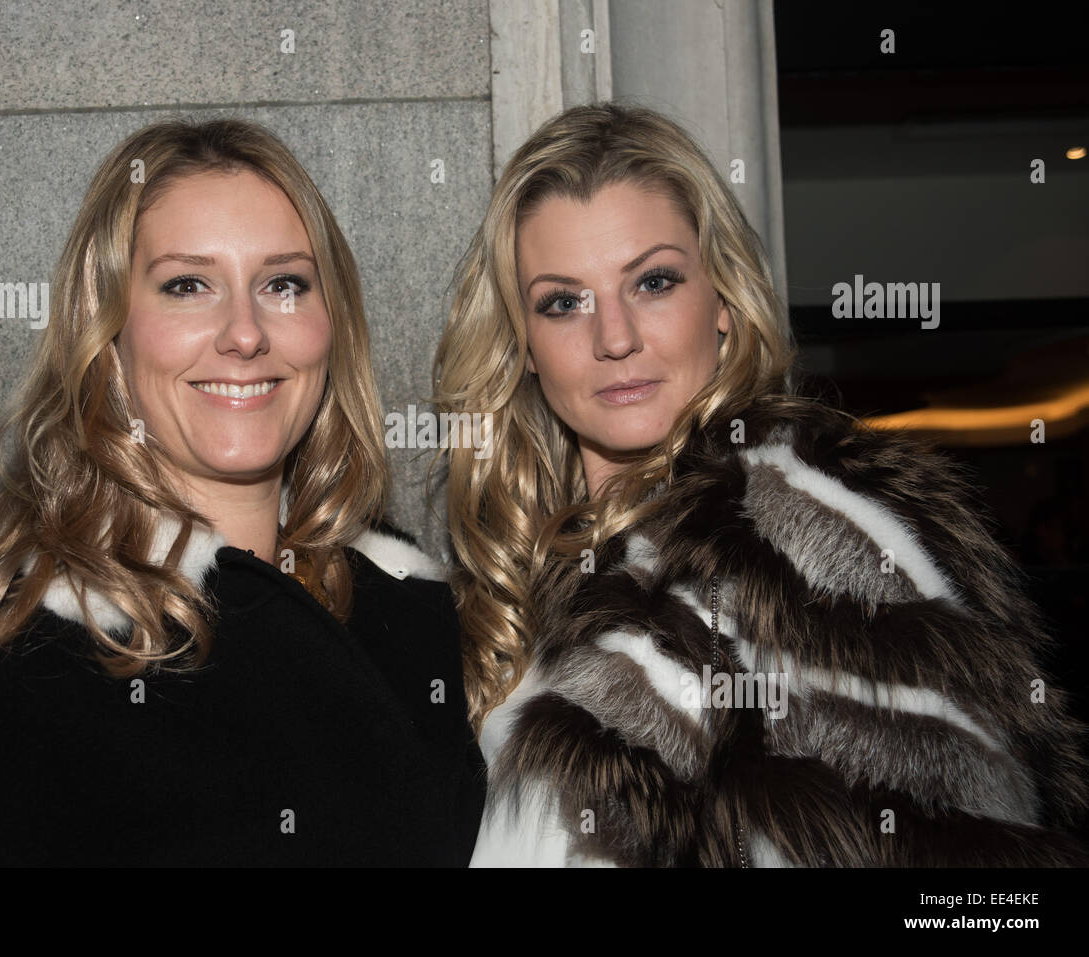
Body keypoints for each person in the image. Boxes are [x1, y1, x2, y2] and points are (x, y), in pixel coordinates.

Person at [433, 102, 1087, 866]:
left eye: (653, 281)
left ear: (723, 305)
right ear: (525, 347)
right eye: (563, 301)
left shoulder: (804, 534)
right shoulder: (509, 591)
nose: (613, 338)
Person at [0, 117, 484, 866]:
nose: (245, 332)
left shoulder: (410, 614)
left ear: (330, 326)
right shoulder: (11, 647)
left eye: (283, 284)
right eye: (187, 285)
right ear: (108, 333)